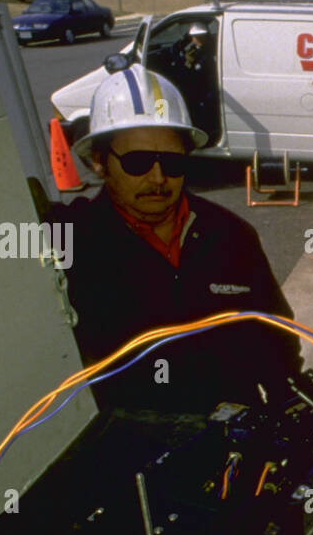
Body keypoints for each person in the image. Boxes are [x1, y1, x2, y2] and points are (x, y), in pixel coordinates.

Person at [53, 64, 300, 417]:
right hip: (131, 444)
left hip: (235, 440)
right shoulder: (70, 242)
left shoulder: (232, 236)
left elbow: (278, 342)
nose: (158, 178)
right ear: (98, 162)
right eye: (138, 162)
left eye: (171, 162)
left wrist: (285, 413)